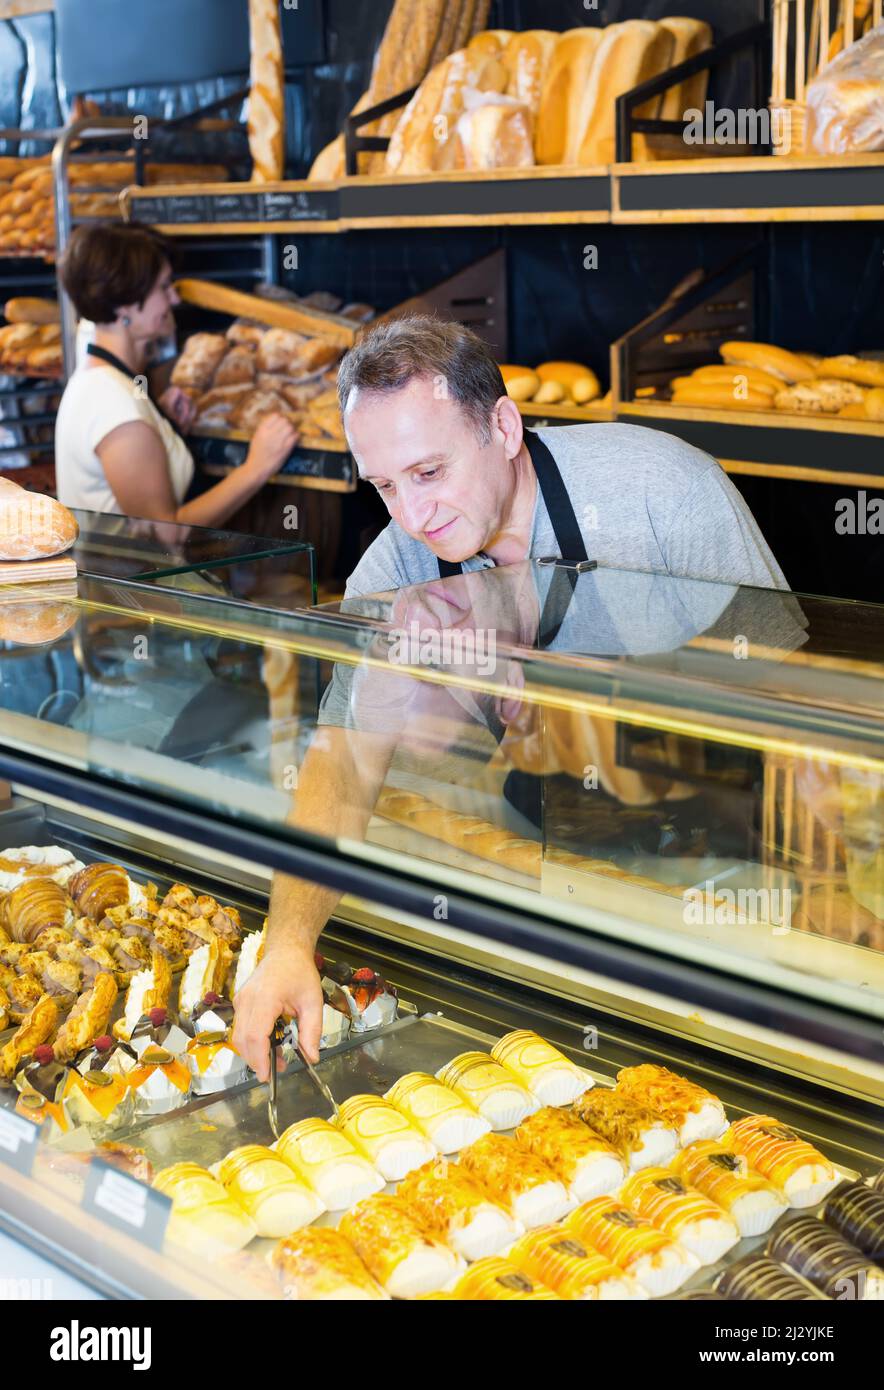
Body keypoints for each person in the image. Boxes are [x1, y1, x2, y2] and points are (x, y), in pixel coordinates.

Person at [232, 314, 789, 1077]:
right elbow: (342, 769)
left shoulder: (664, 494)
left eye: (429, 473)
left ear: (503, 424)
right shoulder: (389, 575)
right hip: (549, 871)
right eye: (385, 486)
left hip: (726, 863)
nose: (411, 516)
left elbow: (796, 712)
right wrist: (289, 941)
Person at [55, 222, 297, 524]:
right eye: (163, 287)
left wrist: (162, 428)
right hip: (137, 573)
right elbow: (165, 535)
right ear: (125, 306)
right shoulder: (115, 407)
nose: (175, 299)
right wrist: (257, 467)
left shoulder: (97, 382)